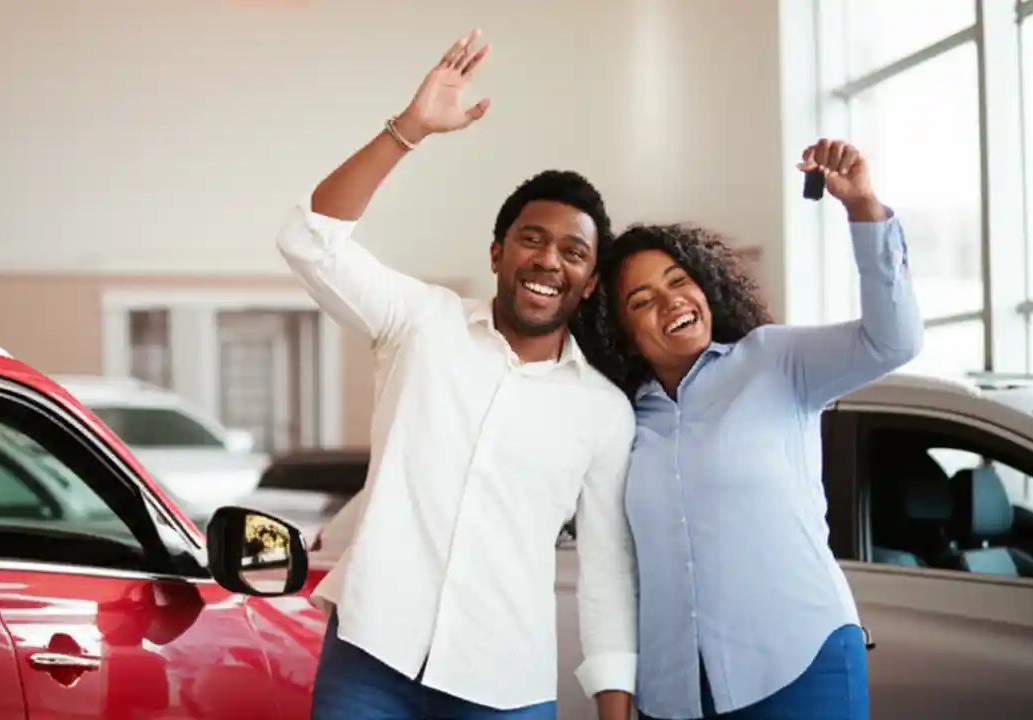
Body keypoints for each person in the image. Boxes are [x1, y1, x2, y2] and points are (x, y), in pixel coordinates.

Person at [276, 28, 638, 720]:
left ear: (590, 282)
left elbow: (608, 575)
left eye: (573, 252)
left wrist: (615, 709)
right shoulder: (422, 323)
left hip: (503, 687)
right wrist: (408, 130)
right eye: (532, 239)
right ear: (498, 252)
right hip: (371, 660)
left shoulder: (603, 412)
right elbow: (307, 241)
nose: (549, 260)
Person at [581, 139, 923, 719]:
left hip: (799, 662)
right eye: (642, 300)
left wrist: (862, 207)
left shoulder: (773, 360)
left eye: (678, 280)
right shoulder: (622, 418)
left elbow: (893, 342)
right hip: (675, 691)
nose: (671, 302)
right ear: (624, 334)